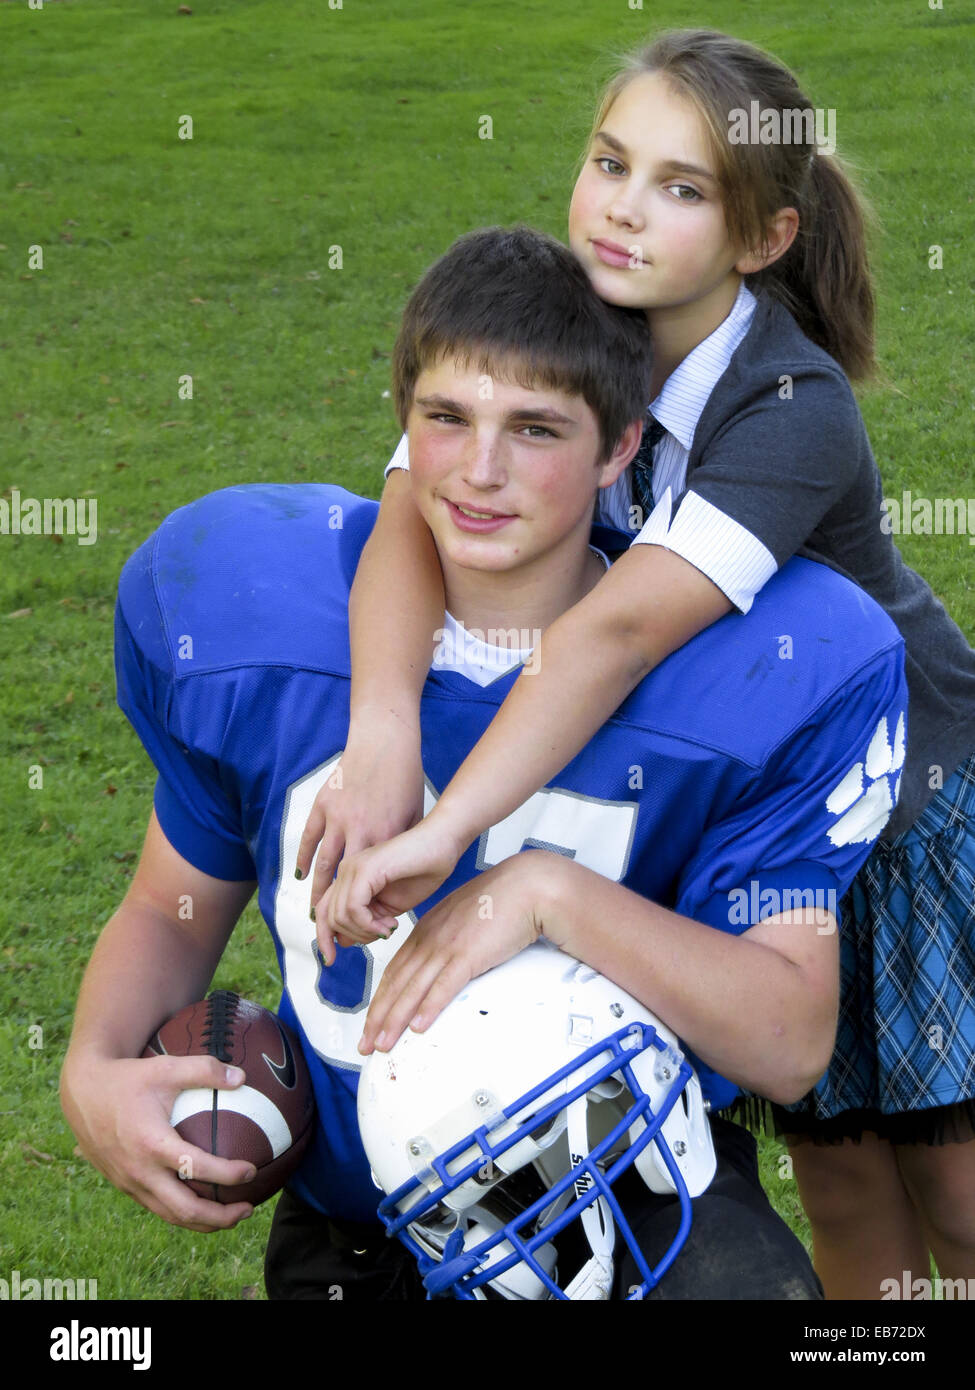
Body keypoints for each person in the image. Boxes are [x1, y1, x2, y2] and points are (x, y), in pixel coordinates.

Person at [60, 225, 906, 1301]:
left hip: (643, 1193)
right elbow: (167, 907)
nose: (484, 471)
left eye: (537, 429)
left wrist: (547, 894)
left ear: (619, 450)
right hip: (360, 1231)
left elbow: (787, 1039)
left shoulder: (756, 668)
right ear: (405, 431)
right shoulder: (264, 632)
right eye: (448, 420)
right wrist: (91, 1066)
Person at [305, 29, 975, 1299]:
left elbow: (617, 634)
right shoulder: (568, 316)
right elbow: (403, 510)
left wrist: (446, 826)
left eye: (681, 188)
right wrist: (382, 728)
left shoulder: (791, 407)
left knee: (953, 1178)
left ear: (764, 238)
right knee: (835, 1176)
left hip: (901, 800)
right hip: (746, 805)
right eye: (610, 161)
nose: (622, 208)